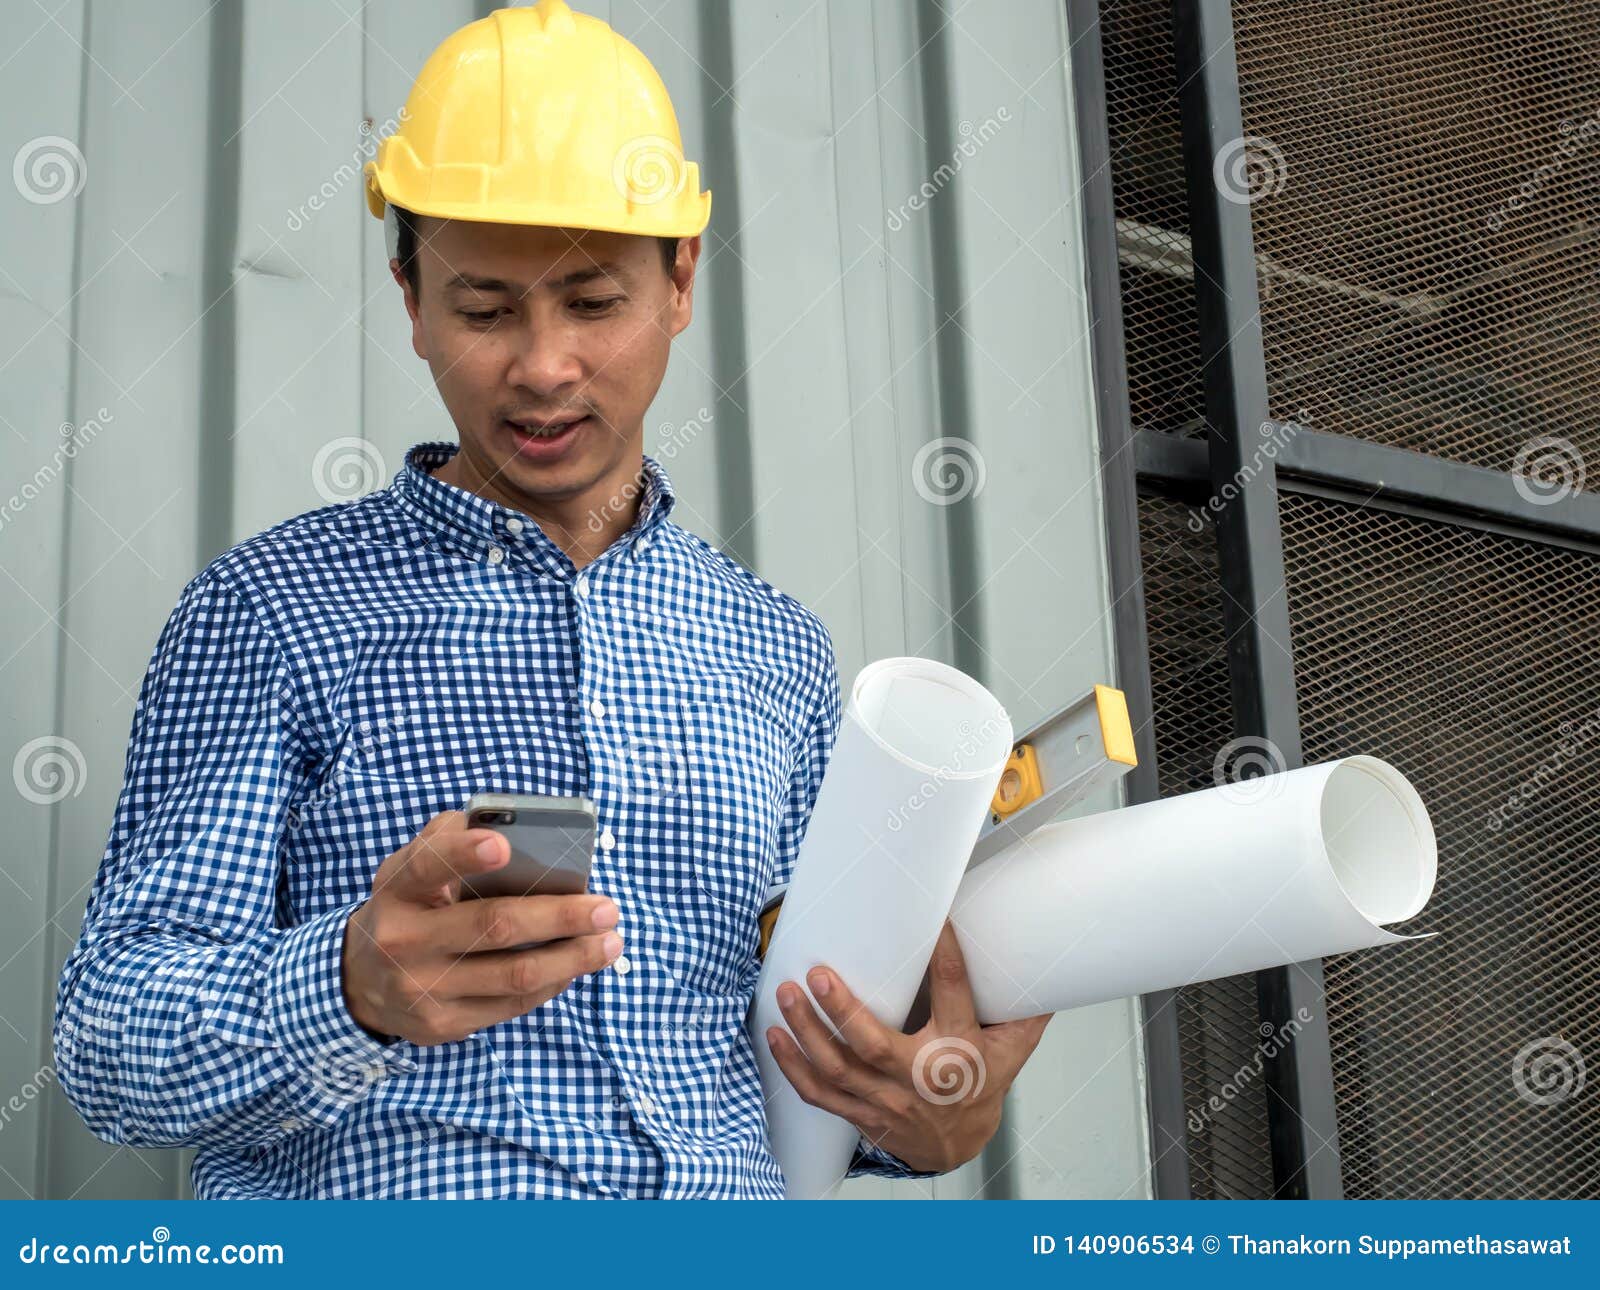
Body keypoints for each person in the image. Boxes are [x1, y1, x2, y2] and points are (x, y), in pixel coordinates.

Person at [52, 0, 1050, 1199]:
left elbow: (808, 1029)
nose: (541, 365)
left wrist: (924, 1111)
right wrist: (352, 988)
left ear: (679, 283)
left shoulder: (775, 651)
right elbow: (107, 1048)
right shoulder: (270, 611)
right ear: (410, 300)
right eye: (483, 308)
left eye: (590, 302)